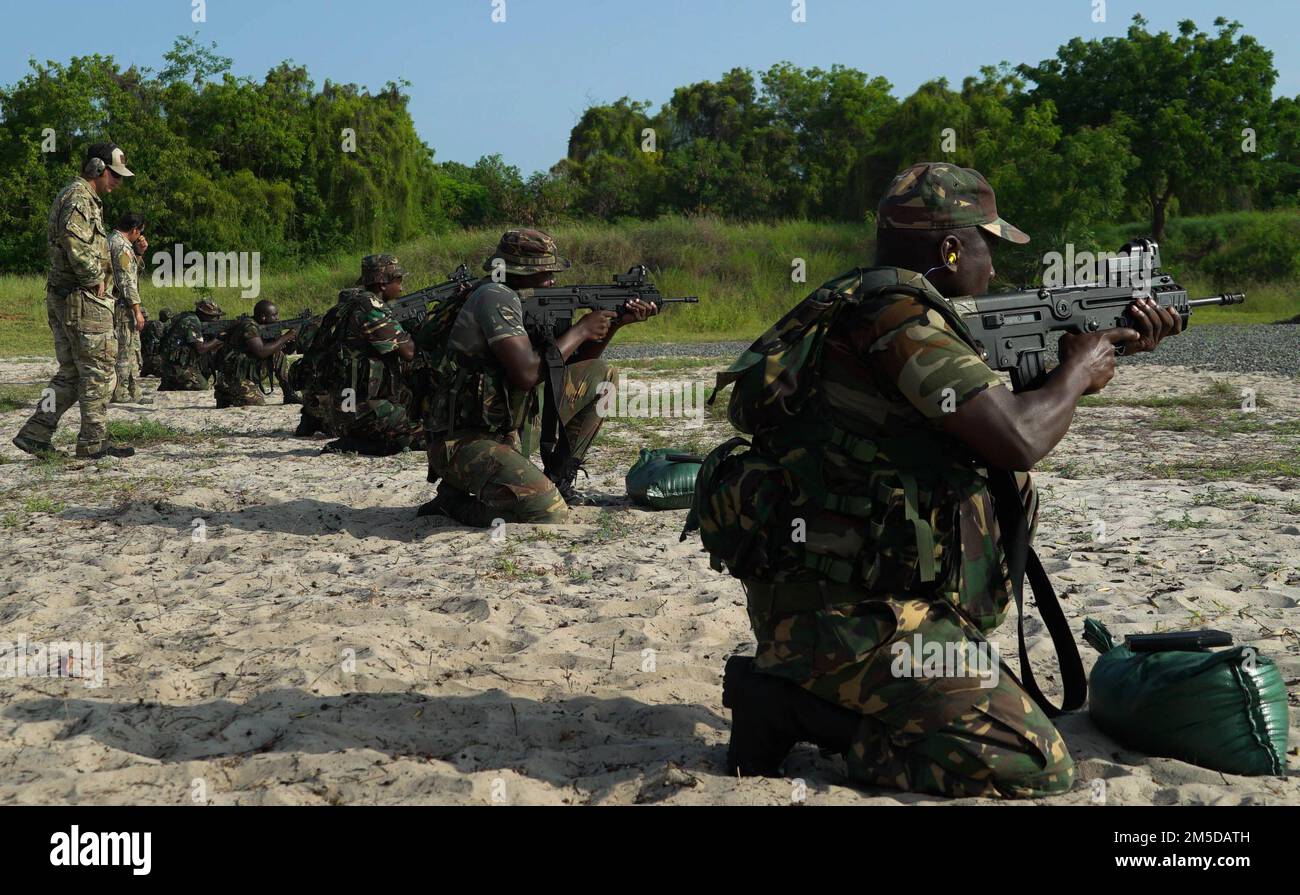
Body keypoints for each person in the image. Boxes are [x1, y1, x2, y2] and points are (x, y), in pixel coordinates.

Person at [713, 162, 1182, 798]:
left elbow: (983, 419)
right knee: (1035, 766)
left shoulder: (861, 300)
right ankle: (793, 709)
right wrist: (1076, 373)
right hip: (853, 619)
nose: (993, 267)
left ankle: (822, 683)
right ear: (951, 248)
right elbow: (1018, 440)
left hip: (839, 603)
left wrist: (1090, 354)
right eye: (986, 245)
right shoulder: (902, 322)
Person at [418, 228, 656, 524]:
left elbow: (565, 365)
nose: (552, 279)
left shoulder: (511, 296)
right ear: (520, 271)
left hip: (503, 428)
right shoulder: (494, 296)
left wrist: (614, 324)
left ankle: (558, 480)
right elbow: (528, 374)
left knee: (600, 376)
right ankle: (451, 504)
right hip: (463, 442)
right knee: (549, 511)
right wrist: (581, 330)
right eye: (545, 273)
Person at [13, 142, 136, 459]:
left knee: (70, 372)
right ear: (98, 169)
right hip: (81, 299)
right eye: (114, 175)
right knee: (99, 370)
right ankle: (93, 442)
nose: (118, 183)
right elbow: (74, 242)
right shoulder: (80, 198)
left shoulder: (78, 196)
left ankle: (35, 433)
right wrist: (94, 277)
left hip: (65, 296)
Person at [307, 254, 422, 455]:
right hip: (362, 412)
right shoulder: (370, 308)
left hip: (345, 408)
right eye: (398, 280)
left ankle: (359, 438)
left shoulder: (349, 304)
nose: (402, 287)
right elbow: (409, 352)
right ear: (382, 284)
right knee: (424, 437)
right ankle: (356, 444)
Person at [210, 300, 300, 407]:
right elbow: (261, 351)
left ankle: (289, 393)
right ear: (263, 317)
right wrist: (285, 337)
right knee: (256, 402)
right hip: (234, 377)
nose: (277, 318)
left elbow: (285, 352)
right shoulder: (249, 326)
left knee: (277, 353)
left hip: (245, 373)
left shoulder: (267, 328)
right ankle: (226, 394)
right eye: (274, 315)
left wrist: (294, 338)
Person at [109, 212, 148, 404]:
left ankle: (133, 390)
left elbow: (132, 272)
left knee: (133, 348)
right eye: (139, 232)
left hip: (123, 304)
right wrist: (137, 310)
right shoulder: (121, 247)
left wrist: (139, 253)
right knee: (125, 349)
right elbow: (126, 281)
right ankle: (121, 391)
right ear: (134, 230)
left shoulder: (116, 243)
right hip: (123, 306)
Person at [158, 300, 224, 391]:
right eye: (213, 317)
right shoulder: (192, 321)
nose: (217, 319)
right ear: (204, 314)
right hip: (177, 367)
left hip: (168, 364)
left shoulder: (184, 316)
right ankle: (175, 382)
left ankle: (170, 383)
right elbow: (200, 349)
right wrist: (220, 339)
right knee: (203, 386)